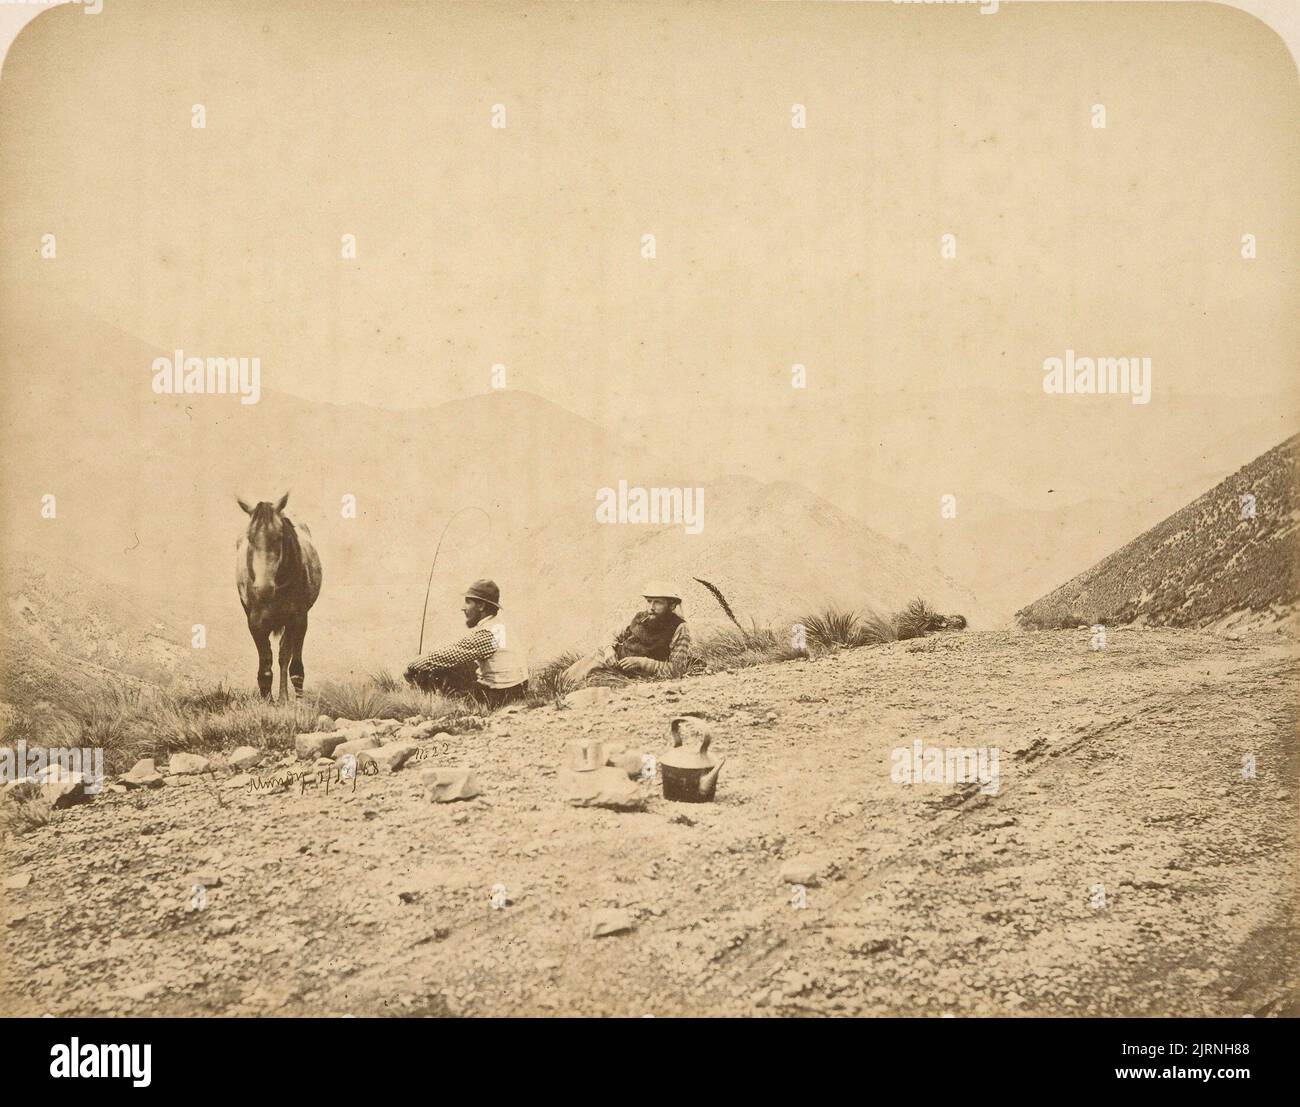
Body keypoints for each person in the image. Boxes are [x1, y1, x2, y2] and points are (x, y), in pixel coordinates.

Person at [404, 579, 529, 707]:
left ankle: (425, 706)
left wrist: (412, 666)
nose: (463, 608)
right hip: (517, 690)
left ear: (481, 606)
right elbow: (459, 650)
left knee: (436, 667)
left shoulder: (487, 634)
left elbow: (441, 657)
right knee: (458, 664)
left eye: (468, 602)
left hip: (500, 696)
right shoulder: (499, 625)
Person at [562, 581, 696, 687]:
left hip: (632, 676)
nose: (651, 607)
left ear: (672, 605)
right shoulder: (641, 617)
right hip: (608, 659)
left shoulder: (679, 628)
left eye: (658, 602)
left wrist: (641, 663)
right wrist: (609, 651)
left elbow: (676, 670)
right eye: (649, 601)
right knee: (564, 681)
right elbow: (612, 634)